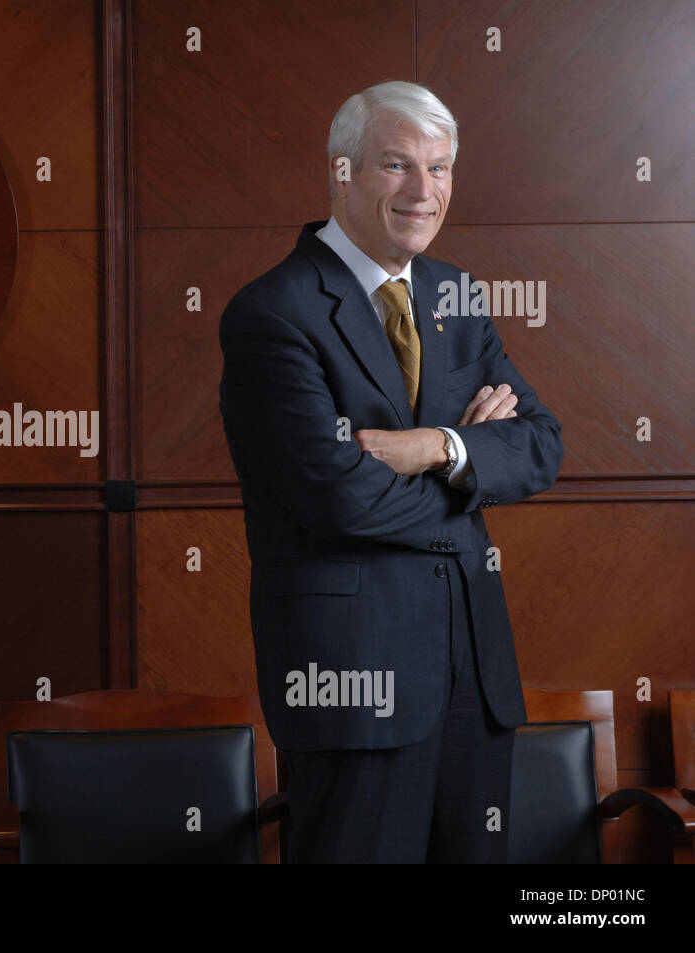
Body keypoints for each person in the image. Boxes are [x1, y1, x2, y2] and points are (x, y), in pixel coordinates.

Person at [218, 80, 563, 862]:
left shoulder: (457, 296)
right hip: (353, 682)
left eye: (440, 168)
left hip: (474, 682)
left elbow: (542, 445)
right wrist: (474, 470)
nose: (424, 191)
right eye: (397, 165)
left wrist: (436, 446)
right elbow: (342, 499)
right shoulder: (272, 313)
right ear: (341, 172)